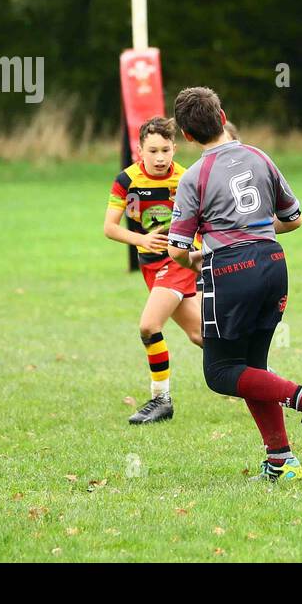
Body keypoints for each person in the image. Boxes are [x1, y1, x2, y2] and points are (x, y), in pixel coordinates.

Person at [166, 87, 302, 481]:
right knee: (253, 367)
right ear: (223, 117)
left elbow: (177, 247)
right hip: (273, 264)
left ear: (187, 137)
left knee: (221, 372)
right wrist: (255, 231)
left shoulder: (194, 177)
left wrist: (195, 259)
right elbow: (293, 218)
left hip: (230, 273)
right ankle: (281, 460)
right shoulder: (260, 156)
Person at [103, 116, 202, 424]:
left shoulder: (186, 178)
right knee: (202, 335)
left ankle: (161, 399)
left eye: (166, 150)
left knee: (148, 326)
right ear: (140, 150)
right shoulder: (127, 180)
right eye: (153, 151)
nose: (160, 158)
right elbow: (110, 227)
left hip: (179, 262)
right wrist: (142, 239)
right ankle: (263, 380)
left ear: (174, 149)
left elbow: (205, 221)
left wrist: (199, 253)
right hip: (151, 267)